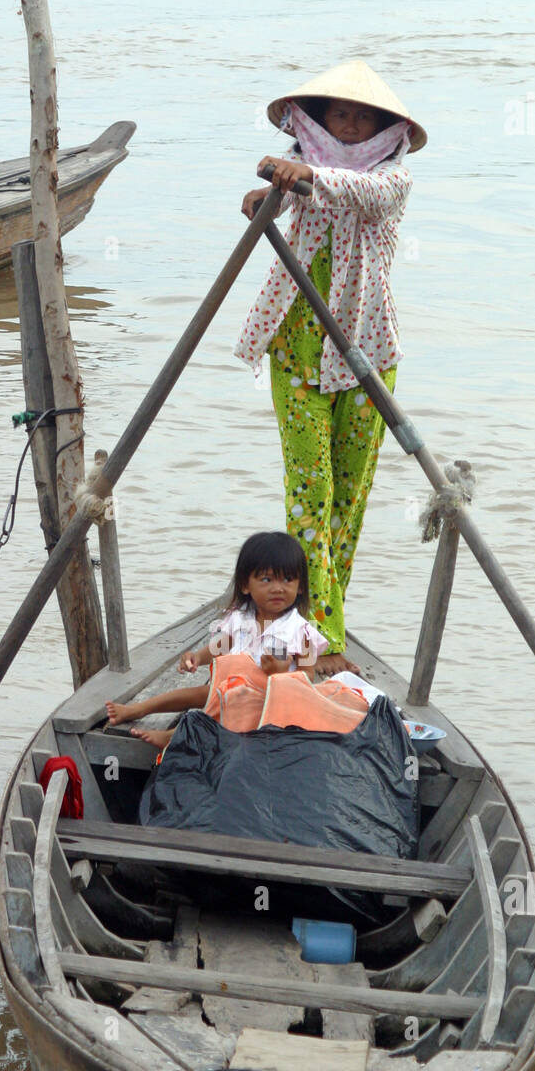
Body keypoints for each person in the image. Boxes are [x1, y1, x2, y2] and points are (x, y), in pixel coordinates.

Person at [235, 60, 426, 675]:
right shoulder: (299, 176)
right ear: (316, 120)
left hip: (366, 355)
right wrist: (270, 196)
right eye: (337, 114)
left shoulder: (391, 179)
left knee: (348, 500)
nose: (348, 125)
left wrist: (305, 176)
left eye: (361, 116)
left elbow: (355, 194)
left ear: (381, 126)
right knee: (309, 493)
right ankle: (328, 640)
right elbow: (299, 200)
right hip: (297, 350)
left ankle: (316, 623)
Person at [105, 530, 329, 746]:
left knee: (228, 697)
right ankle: (140, 708)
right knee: (204, 693)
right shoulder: (240, 619)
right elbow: (219, 646)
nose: (278, 588)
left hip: (272, 698)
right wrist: (196, 658)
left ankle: (174, 736)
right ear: (245, 585)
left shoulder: (301, 631)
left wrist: (280, 673)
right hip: (230, 689)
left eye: (288, 579)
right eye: (266, 579)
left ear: (300, 587)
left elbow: (308, 676)